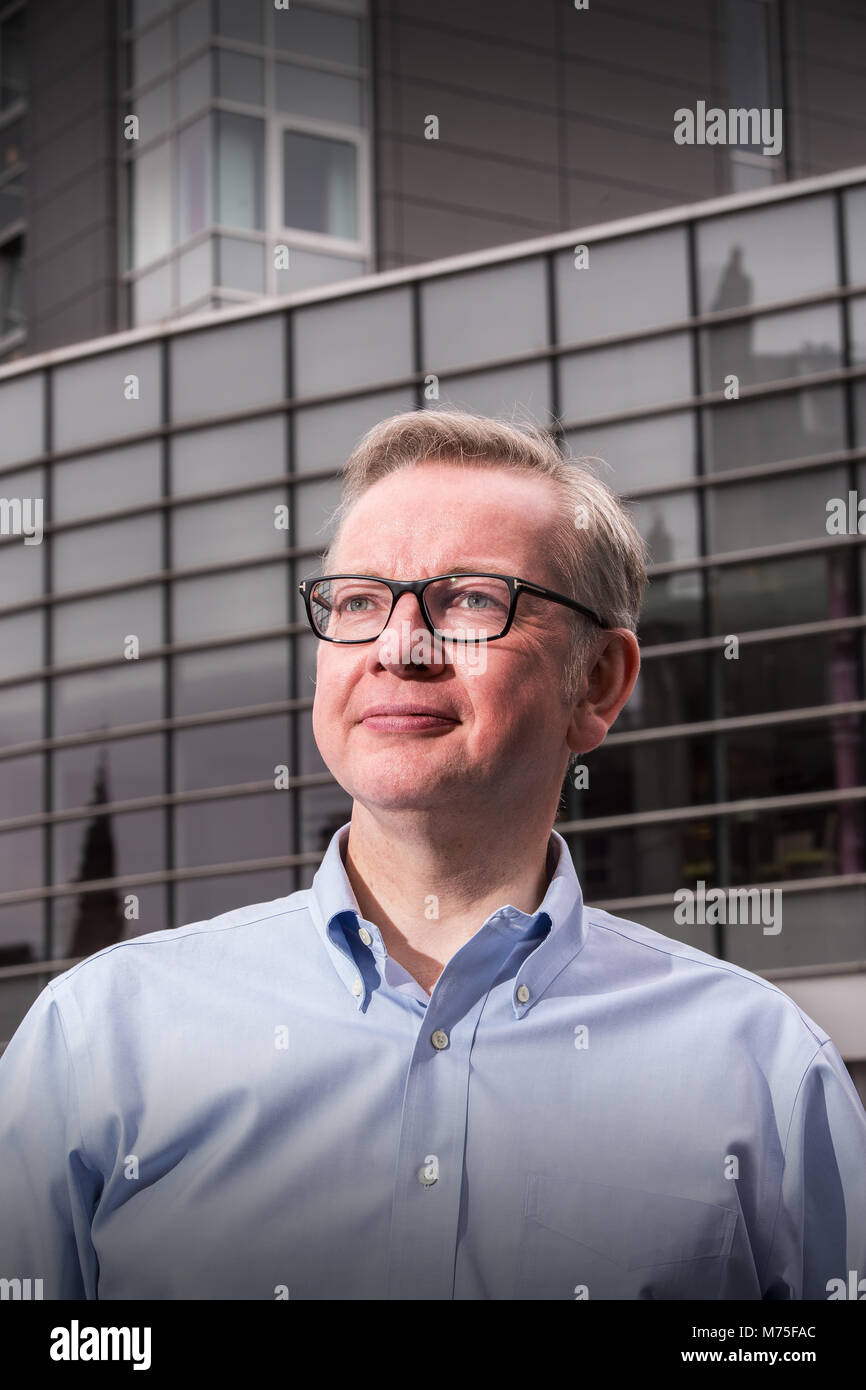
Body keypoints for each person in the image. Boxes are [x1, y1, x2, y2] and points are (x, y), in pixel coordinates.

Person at [1, 409, 864, 1300]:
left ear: (598, 682)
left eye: (472, 599)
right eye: (360, 602)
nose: (399, 646)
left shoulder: (764, 1071)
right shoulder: (97, 1042)